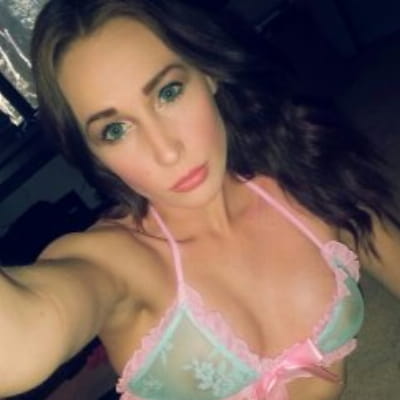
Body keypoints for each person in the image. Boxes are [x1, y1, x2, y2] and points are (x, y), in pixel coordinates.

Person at [1, 0, 400, 399]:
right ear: (94, 154)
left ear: (206, 72)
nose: (167, 151)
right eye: (116, 130)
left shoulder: (305, 169)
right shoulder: (116, 261)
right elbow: (18, 344)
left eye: (168, 92)